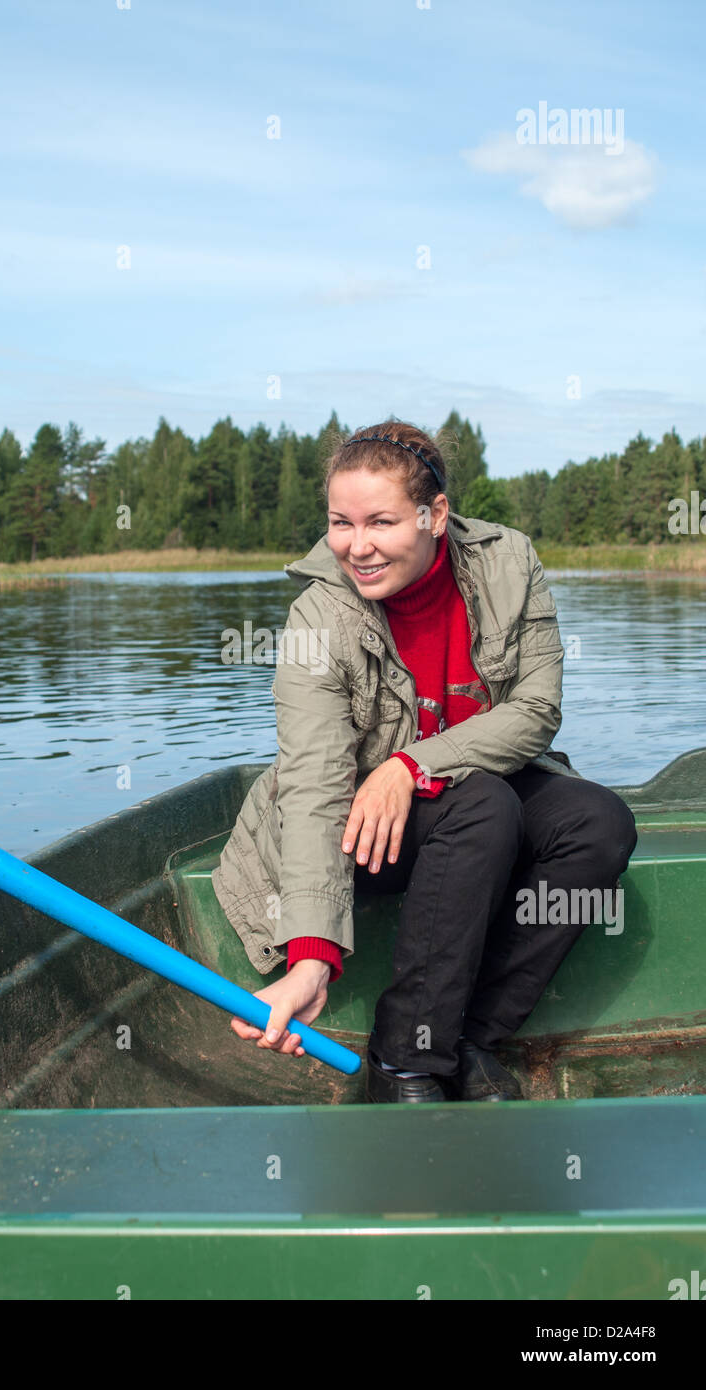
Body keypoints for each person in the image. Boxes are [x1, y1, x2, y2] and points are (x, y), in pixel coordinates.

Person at [211, 420, 638, 1102]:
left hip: (459, 794)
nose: (356, 546)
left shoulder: (507, 563)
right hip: (359, 831)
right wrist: (311, 956)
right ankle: (405, 1064)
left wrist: (408, 766)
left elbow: (534, 712)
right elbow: (315, 787)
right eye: (339, 524)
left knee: (597, 822)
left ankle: (469, 1038)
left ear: (434, 514)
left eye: (379, 522)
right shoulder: (314, 620)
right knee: (482, 806)